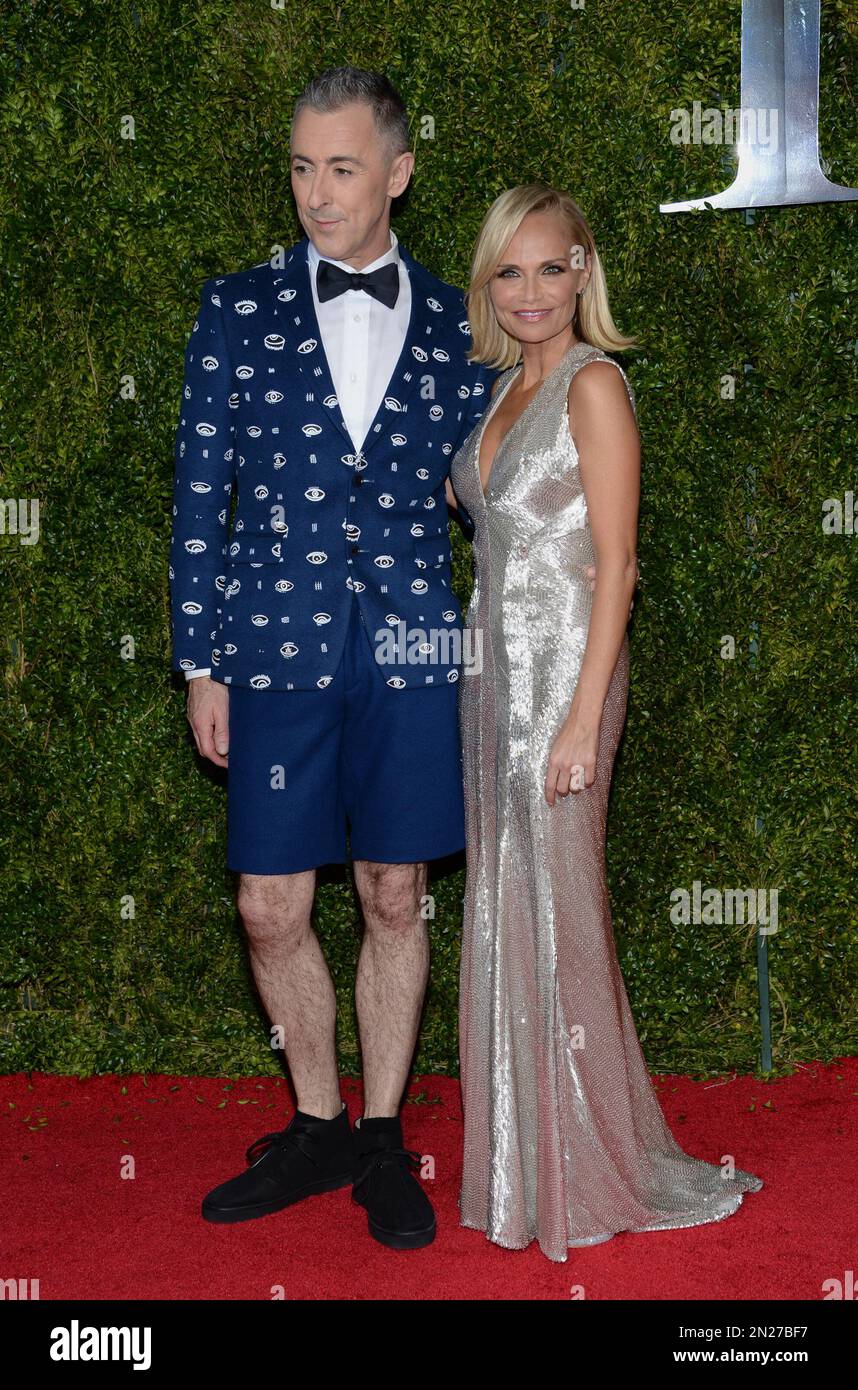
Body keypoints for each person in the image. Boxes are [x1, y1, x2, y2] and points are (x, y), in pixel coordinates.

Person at [168, 66, 500, 1250]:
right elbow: (201, 493)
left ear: (398, 175)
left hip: (412, 645)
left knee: (395, 893)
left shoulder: (473, 320)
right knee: (269, 903)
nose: (317, 193)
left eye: (343, 168)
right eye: (303, 166)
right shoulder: (234, 307)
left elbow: (503, 493)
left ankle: (380, 1135)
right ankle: (311, 1123)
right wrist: (198, 659)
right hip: (270, 648)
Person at [448, 183, 764, 1262]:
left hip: (567, 688)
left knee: (559, 908)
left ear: (583, 269)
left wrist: (584, 719)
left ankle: (591, 1170)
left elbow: (619, 565)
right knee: (503, 903)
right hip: (490, 686)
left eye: (551, 266)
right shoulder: (496, 392)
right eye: (510, 270)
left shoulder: (594, 386)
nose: (531, 290)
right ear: (490, 282)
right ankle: (524, 1171)